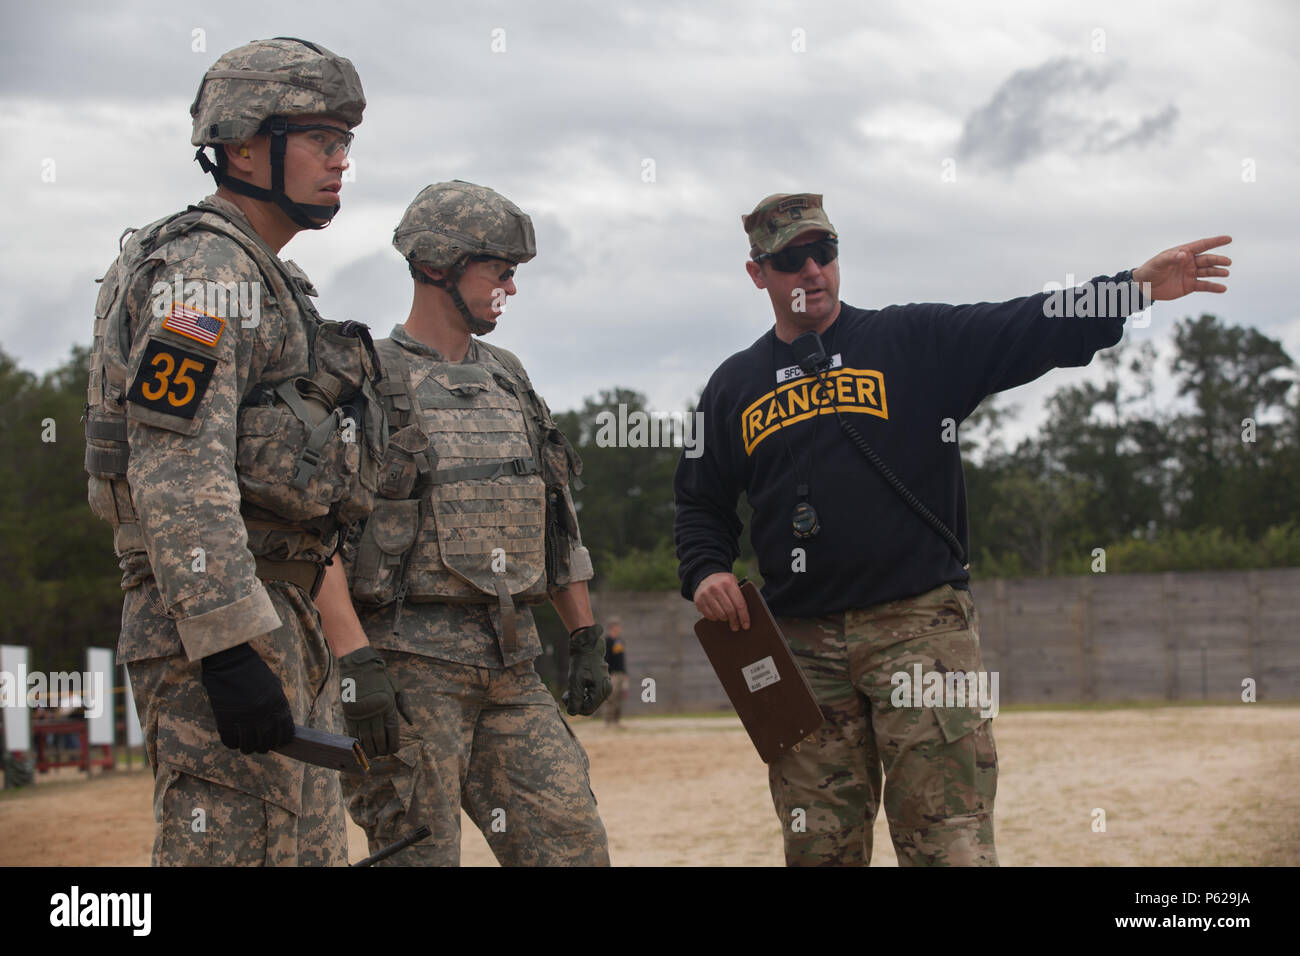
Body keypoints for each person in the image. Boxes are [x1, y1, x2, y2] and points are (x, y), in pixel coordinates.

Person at [674, 191, 1231, 866]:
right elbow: (700, 504)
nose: (812, 270)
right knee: (818, 848)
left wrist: (1132, 289)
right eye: (790, 259)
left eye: (823, 252)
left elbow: (1026, 325)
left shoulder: (909, 341)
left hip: (918, 628)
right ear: (758, 274)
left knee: (950, 844)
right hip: (800, 645)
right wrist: (705, 570)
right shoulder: (734, 386)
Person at [84, 37, 405, 866]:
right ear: (242, 146)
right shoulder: (204, 271)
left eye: (347, 144)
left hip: (275, 615)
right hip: (217, 626)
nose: (341, 163)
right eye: (321, 140)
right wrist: (227, 648)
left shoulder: (263, 278)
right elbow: (175, 466)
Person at [337, 180, 611, 866]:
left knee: (572, 846)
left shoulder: (511, 380)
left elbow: (555, 522)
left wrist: (583, 635)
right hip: (407, 670)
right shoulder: (366, 380)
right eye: (500, 271)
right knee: (416, 856)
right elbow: (318, 537)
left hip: (511, 666)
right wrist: (353, 663)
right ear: (437, 265)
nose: (511, 289)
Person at [603, 616, 629, 726]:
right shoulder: (607, 641)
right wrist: (608, 674)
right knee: (611, 698)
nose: (619, 628)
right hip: (612, 674)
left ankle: (616, 721)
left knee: (619, 697)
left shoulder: (619, 641)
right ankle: (609, 721)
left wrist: (625, 674)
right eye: (618, 626)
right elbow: (606, 659)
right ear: (612, 627)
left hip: (621, 674)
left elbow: (622, 659)